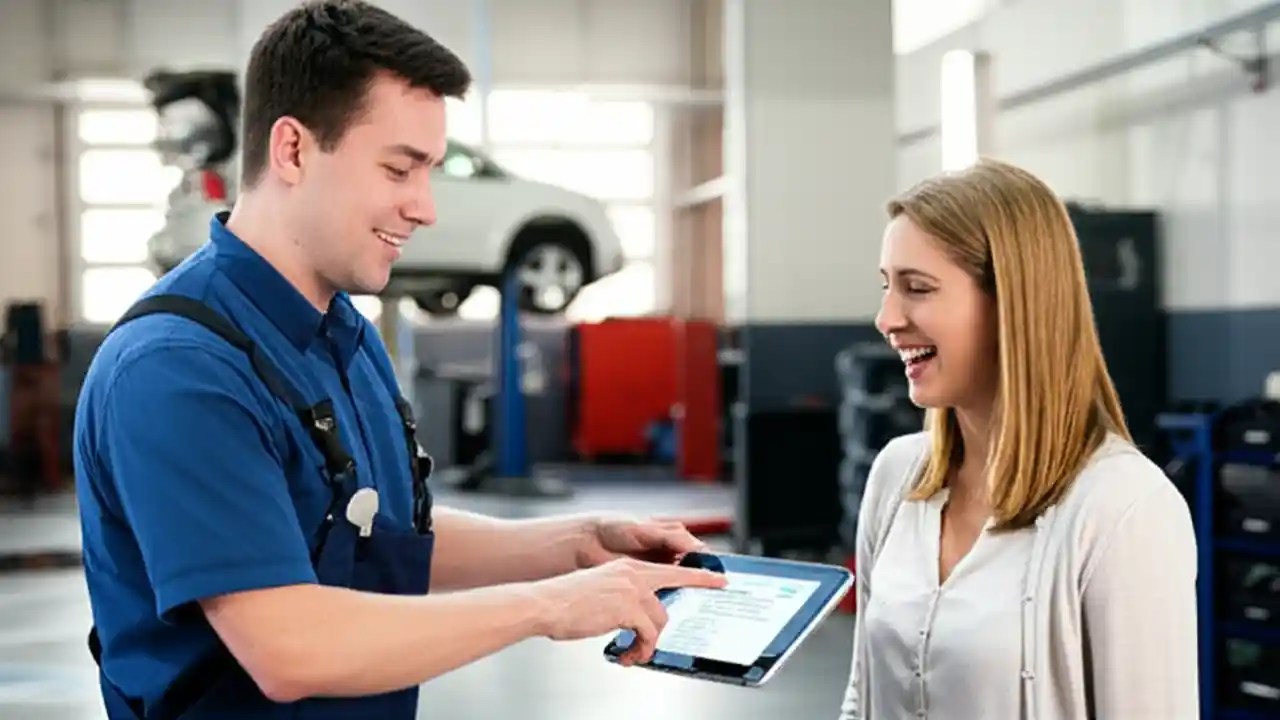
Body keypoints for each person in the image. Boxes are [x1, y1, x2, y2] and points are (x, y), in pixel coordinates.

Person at [73, 2, 726, 718]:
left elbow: (372, 537)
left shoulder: (342, 333)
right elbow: (289, 649)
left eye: (431, 173)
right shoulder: (178, 369)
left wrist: (577, 545)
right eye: (399, 170)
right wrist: (550, 605)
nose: (424, 207)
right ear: (292, 150)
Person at [839, 159, 1198, 719]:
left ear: (1012, 302)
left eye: (918, 288)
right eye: (887, 286)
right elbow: (863, 694)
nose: (886, 318)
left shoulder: (1124, 508)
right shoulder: (896, 476)